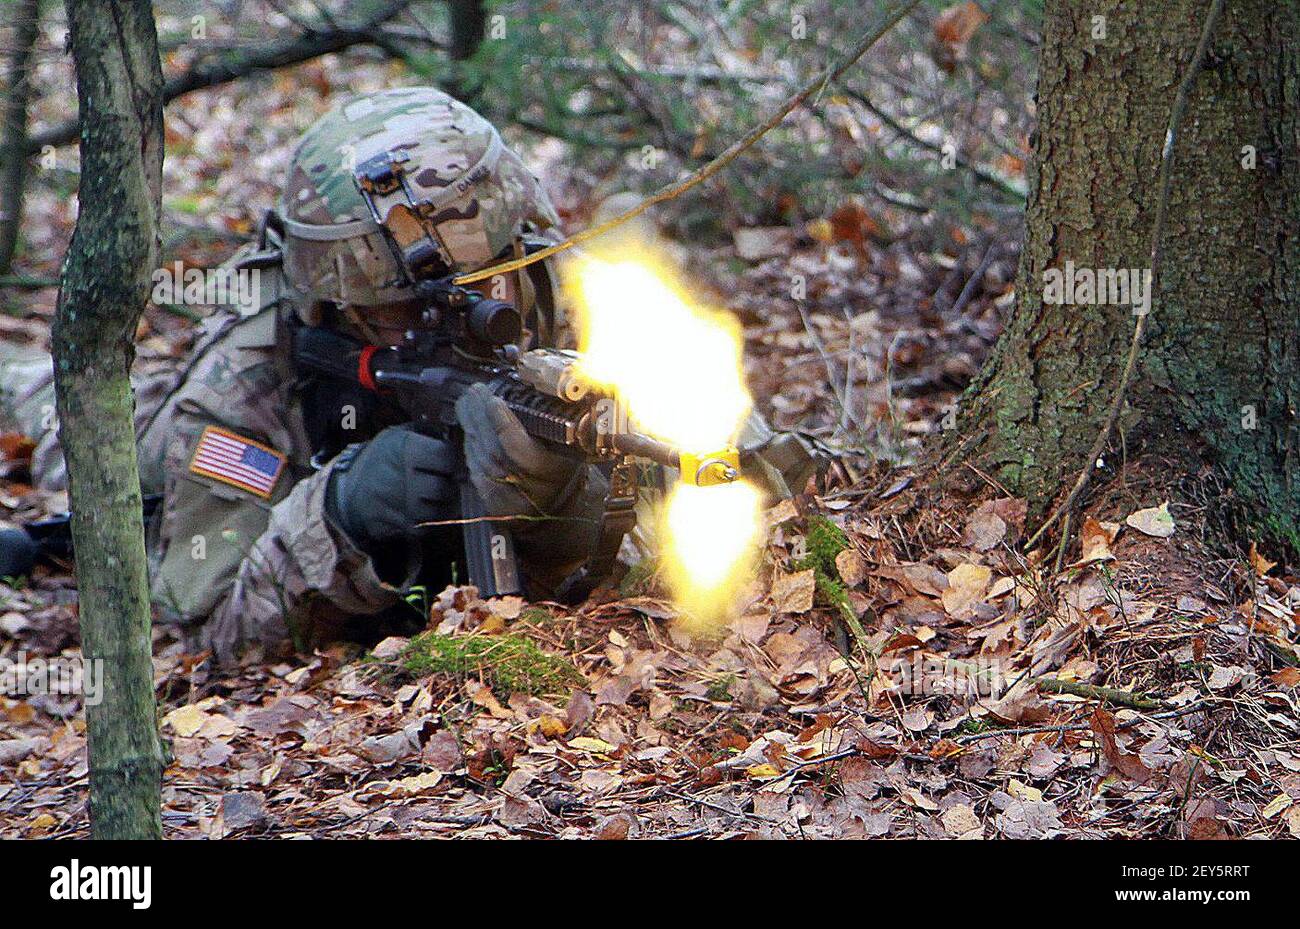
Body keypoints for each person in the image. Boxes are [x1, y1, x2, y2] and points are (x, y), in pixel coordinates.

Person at [0, 87, 817, 664]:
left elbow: (734, 474)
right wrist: (345, 511)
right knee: (69, 434)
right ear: (339, 302)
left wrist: (569, 509)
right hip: (168, 442)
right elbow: (208, 624)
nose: (463, 319)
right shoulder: (254, 373)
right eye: (404, 314)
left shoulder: (575, 298)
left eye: (484, 287)